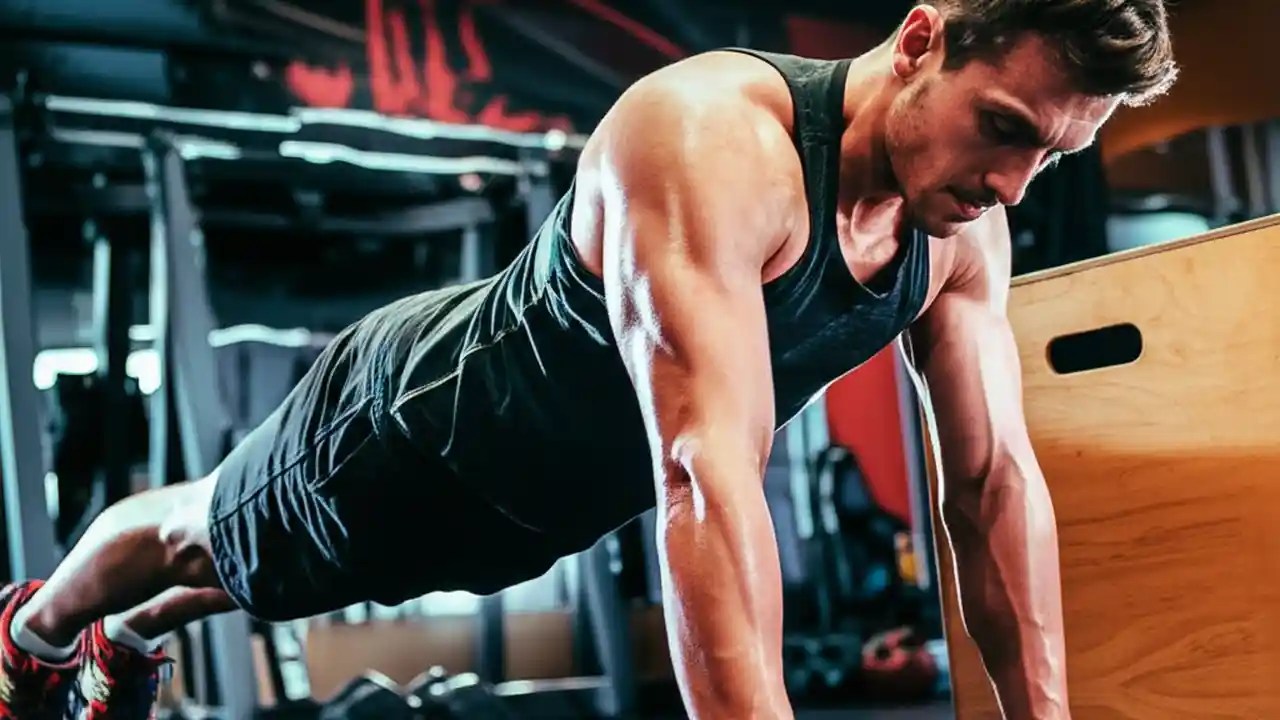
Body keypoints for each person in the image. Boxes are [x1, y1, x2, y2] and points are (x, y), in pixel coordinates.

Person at [0, 1, 1176, 717]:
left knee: (269, 579)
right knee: (202, 530)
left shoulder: (960, 230)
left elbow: (989, 486)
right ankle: (35, 636)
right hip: (407, 432)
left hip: (529, 514)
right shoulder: (716, 140)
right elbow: (704, 475)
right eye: (1005, 129)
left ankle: (126, 639)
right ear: (919, 42)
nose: (1011, 187)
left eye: (1053, 157)